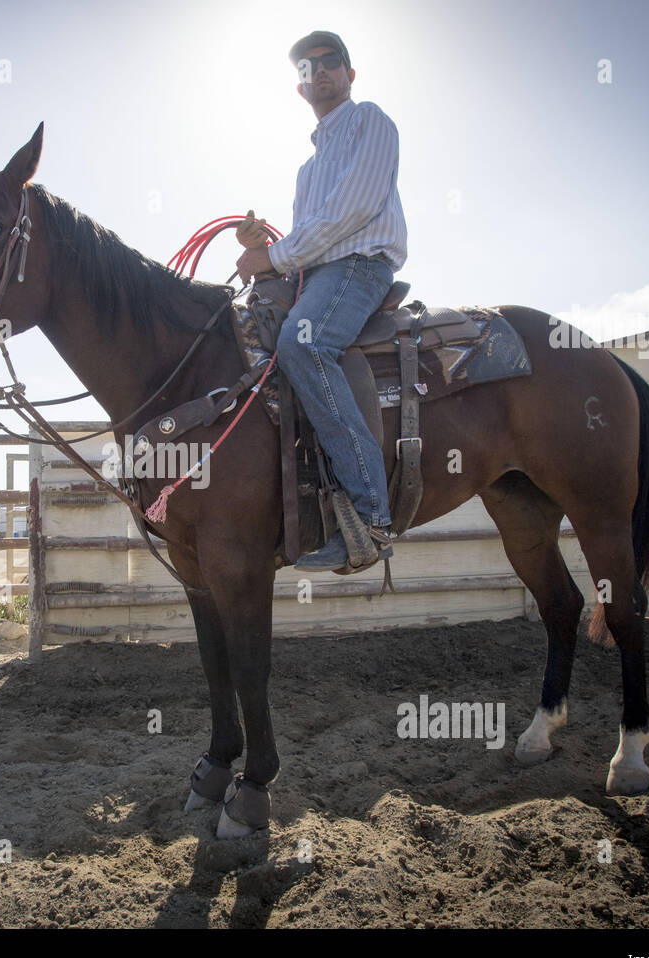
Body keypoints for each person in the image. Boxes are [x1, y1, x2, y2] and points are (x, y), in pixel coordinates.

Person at [235, 30, 408, 571]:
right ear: (299, 88)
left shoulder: (370, 121)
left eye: (330, 63)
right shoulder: (307, 170)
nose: (320, 73)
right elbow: (310, 234)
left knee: (302, 344)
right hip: (320, 274)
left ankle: (371, 520)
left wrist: (277, 257)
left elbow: (352, 212)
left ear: (350, 74)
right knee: (245, 334)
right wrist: (266, 249)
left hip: (360, 266)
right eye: (308, 68)